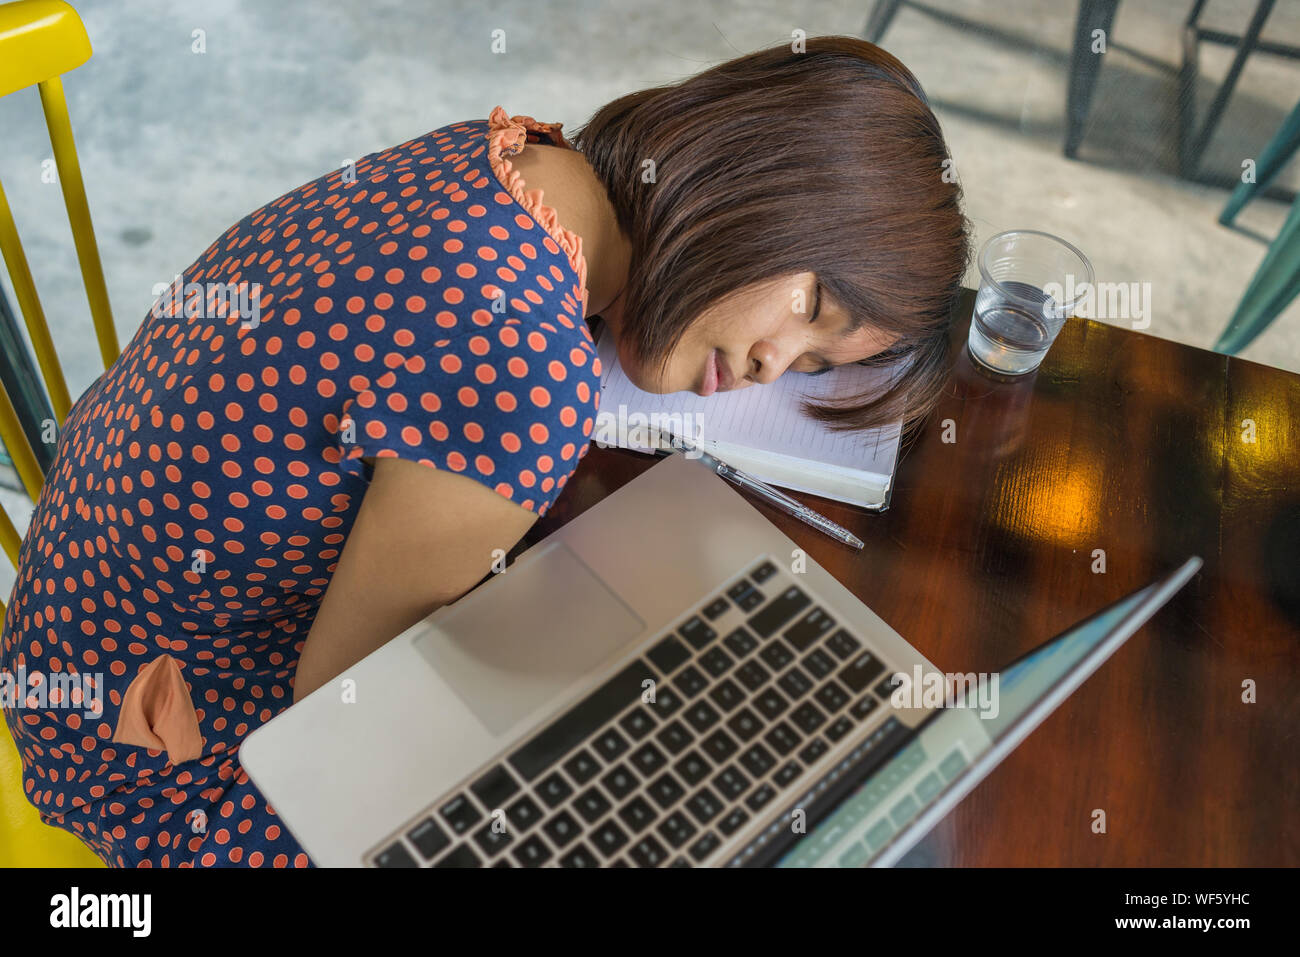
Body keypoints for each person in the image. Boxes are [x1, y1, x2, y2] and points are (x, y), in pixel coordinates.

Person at [0, 34, 969, 867]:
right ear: (754, 186)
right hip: (147, 740)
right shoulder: (517, 375)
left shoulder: (511, 153)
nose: (770, 366)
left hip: (74, 607)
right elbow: (338, 713)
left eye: (813, 365)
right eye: (810, 308)